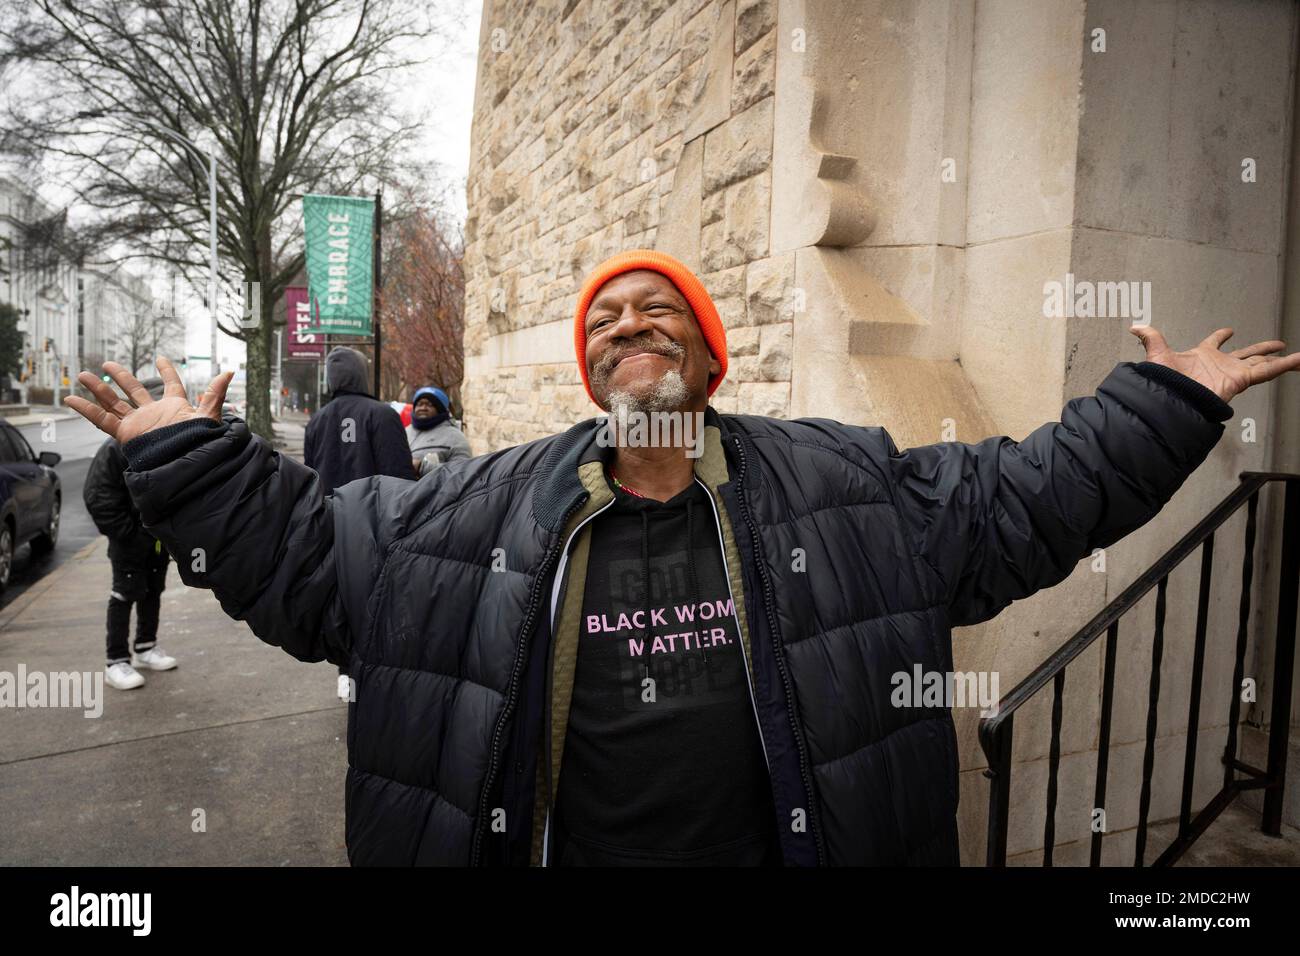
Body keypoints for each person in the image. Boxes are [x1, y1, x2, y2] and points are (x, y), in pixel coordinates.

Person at [64, 249, 1300, 866]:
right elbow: (304, 561)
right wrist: (191, 459)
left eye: (659, 309)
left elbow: (1029, 499)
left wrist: (1160, 403)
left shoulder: (849, 484)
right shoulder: (467, 510)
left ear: (708, 362)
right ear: (592, 374)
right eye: (603, 318)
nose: (626, 322)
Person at [304, 346, 414, 700]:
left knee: (343, 601)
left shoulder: (317, 420)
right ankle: (378, 674)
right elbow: (400, 478)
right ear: (363, 374)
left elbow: (311, 477)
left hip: (333, 527)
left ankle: (346, 672)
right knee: (384, 602)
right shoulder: (381, 415)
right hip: (378, 526)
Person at [81, 376, 176, 691]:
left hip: (159, 541)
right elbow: (98, 497)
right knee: (124, 593)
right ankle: (116, 661)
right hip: (130, 541)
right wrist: (129, 534)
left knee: (152, 592)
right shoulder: (117, 446)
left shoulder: (169, 444)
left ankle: (146, 647)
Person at [405, 386, 471, 477]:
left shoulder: (455, 437)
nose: (423, 408)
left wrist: (422, 467)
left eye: (429, 405)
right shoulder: (404, 432)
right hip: (399, 489)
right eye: (419, 404)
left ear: (440, 409)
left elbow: (463, 473)